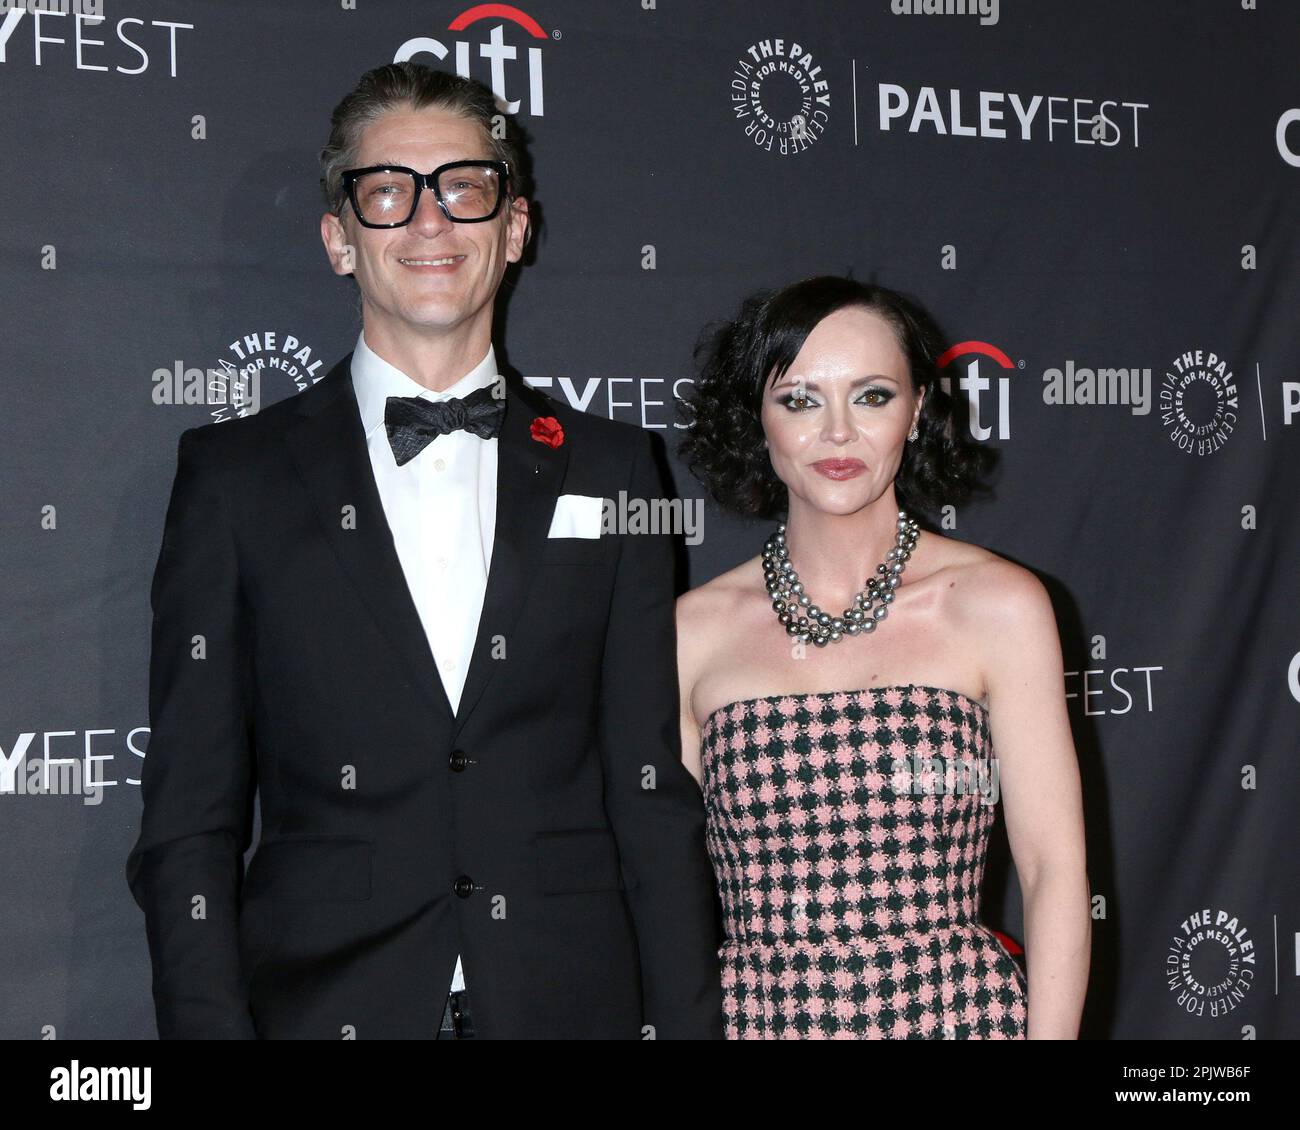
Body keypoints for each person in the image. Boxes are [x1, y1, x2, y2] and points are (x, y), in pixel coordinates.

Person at [125, 61, 723, 1040]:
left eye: (465, 187)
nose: (431, 222)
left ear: (514, 225)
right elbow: (189, 821)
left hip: (568, 1005)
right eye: (389, 193)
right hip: (323, 1006)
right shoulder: (234, 478)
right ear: (339, 239)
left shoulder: (614, 468)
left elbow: (651, 797)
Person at [675, 276, 1090, 1038]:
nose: (838, 433)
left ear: (918, 409)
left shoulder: (999, 606)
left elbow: (1054, 873)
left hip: (955, 1018)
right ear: (756, 418)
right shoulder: (690, 633)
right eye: (799, 399)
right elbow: (657, 892)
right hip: (758, 1024)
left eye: (871, 396)